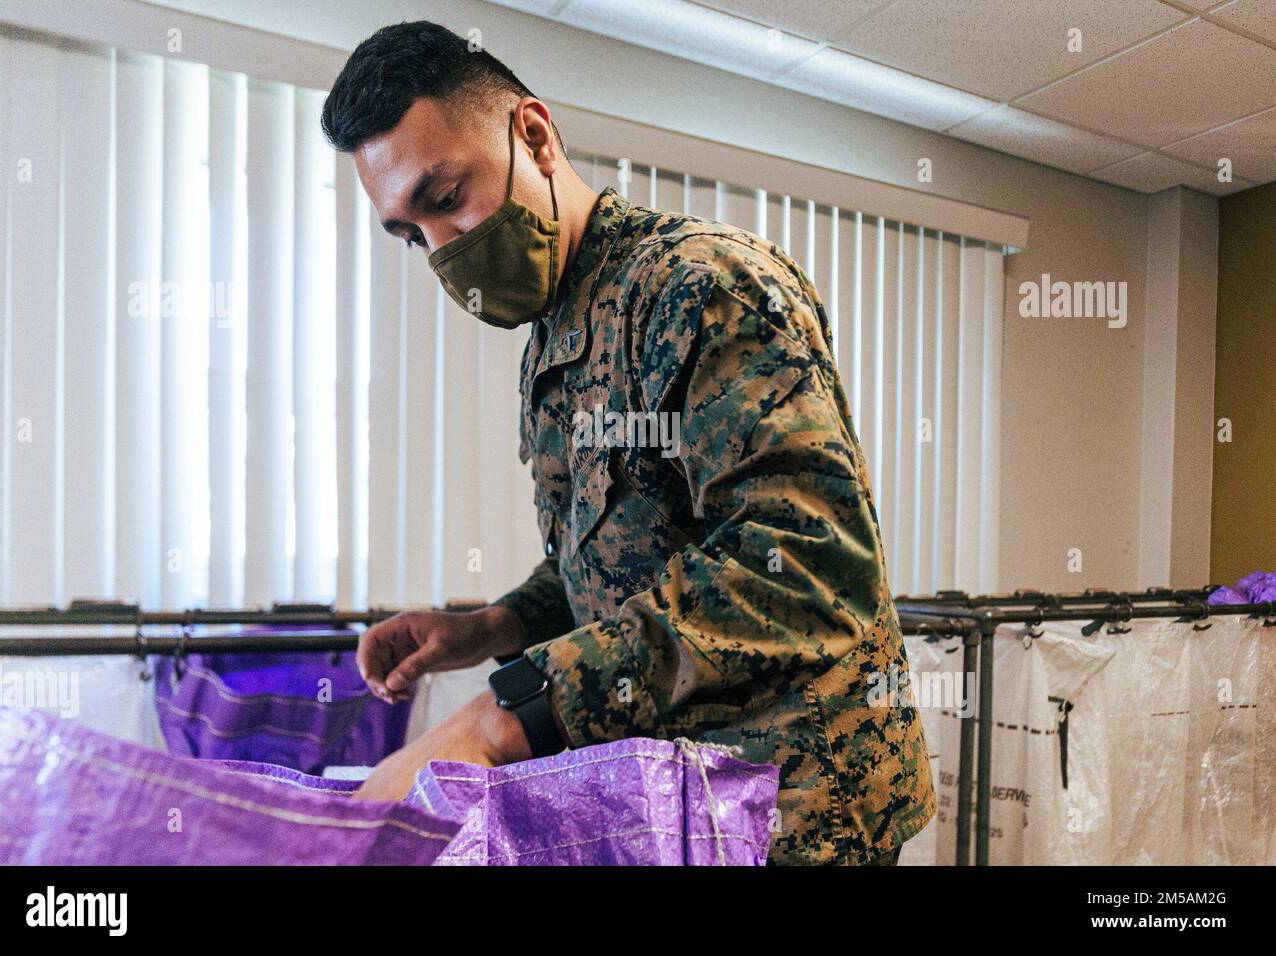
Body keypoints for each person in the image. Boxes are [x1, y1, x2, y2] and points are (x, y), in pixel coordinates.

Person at [322, 20, 933, 865]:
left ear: (532, 135)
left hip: (793, 800)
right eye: (408, 232)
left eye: (446, 196)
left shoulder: (703, 285)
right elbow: (612, 561)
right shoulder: (554, 342)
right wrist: (487, 628)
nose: (441, 248)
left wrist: (511, 710)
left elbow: (802, 564)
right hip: (673, 796)